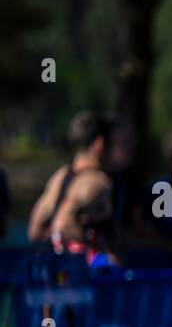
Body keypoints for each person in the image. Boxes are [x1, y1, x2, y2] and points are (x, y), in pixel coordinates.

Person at [28, 111, 120, 264]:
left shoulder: (59, 177)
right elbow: (62, 224)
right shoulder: (98, 182)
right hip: (86, 273)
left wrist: (59, 245)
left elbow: (34, 231)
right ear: (100, 144)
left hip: (58, 271)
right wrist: (101, 252)